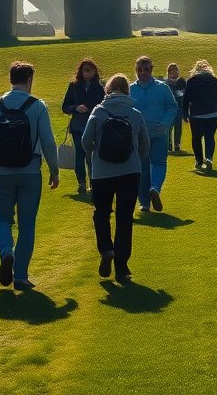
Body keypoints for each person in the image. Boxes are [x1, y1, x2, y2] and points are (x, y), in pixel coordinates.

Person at [0, 61, 60, 290]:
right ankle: (21, 275)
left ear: (10, 80)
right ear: (29, 80)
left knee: (2, 219)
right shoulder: (37, 106)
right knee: (27, 224)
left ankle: (6, 251)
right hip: (30, 171)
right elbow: (48, 141)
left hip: (2, 171)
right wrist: (54, 170)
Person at [81, 73, 152, 281]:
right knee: (124, 218)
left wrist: (96, 155)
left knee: (101, 213)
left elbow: (85, 141)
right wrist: (135, 160)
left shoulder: (98, 111)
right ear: (127, 91)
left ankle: (106, 249)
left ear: (108, 90)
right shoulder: (135, 114)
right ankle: (122, 268)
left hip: (102, 173)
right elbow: (145, 146)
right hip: (130, 172)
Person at [129, 56, 179, 212]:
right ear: (136, 70)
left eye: (146, 69)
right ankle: (145, 202)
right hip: (138, 136)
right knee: (141, 168)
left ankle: (155, 189)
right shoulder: (130, 89)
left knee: (159, 163)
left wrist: (165, 123)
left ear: (151, 70)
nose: (143, 73)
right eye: (140, 70)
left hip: (158, 134)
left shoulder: (162, 88)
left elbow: (172, 107)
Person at [60, 58, 104, 195]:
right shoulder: (74, 86)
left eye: (90, 71)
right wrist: (76, 107)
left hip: (94, 126)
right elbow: (65, 106)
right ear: (81, 71)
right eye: (85, 70)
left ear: (95, 72)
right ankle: (81, 183)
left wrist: (90, 109)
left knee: (92, 156)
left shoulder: (99, 88)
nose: (87, 73)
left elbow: (103, 106)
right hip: (78, 126)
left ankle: (94, 183)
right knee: (80, 155)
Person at [183, 59, 217, 172]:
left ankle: (199, 161)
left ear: (195, 69)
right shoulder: (214, 80)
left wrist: (184, 114)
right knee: (210, 137)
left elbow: (186, 99)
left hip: (196, 115)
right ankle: (209, 158)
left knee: (196, 138)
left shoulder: (191, 81)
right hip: (212, 114)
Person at [161, 63, 187, 154]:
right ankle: (169, 144)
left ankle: (177, 145)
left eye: (176, 72)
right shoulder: (166, 84)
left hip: (178, 108)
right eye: (172, 73)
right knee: (169, 126)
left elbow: (183, 94)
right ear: (168, 73)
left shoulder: (181, 82)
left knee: (178, 127)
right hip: (169, 109)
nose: (174, 75)